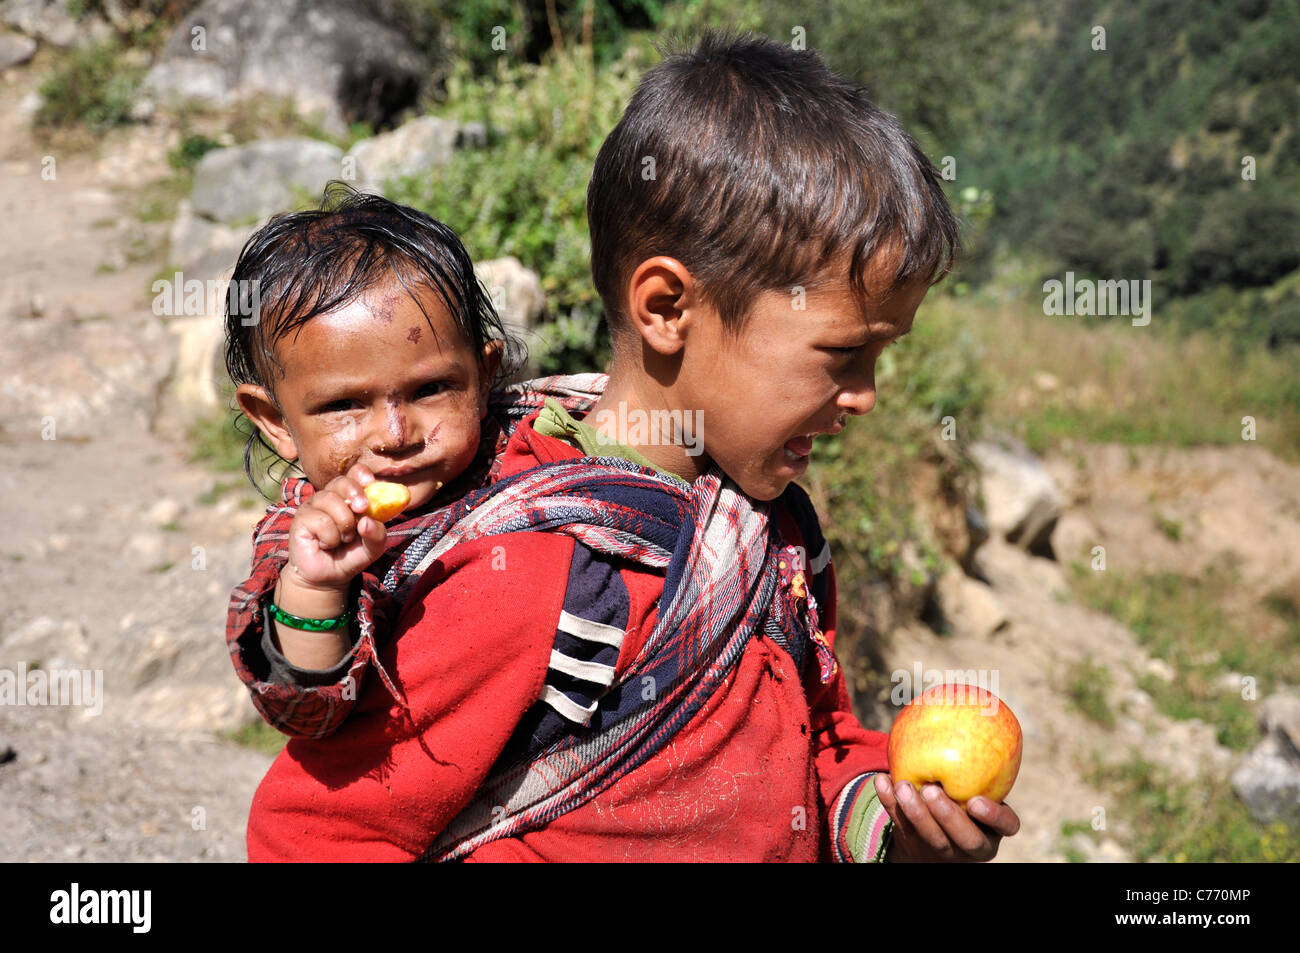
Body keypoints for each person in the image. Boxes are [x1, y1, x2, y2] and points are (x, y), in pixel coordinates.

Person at [226, 31, 1020, 862]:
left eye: (880, 356)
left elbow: (820, 739)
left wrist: (898, 828)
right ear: (668, 307)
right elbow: (322, 829)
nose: (865, 394)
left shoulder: (770, 531)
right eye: (841, 354)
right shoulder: (531, 577)